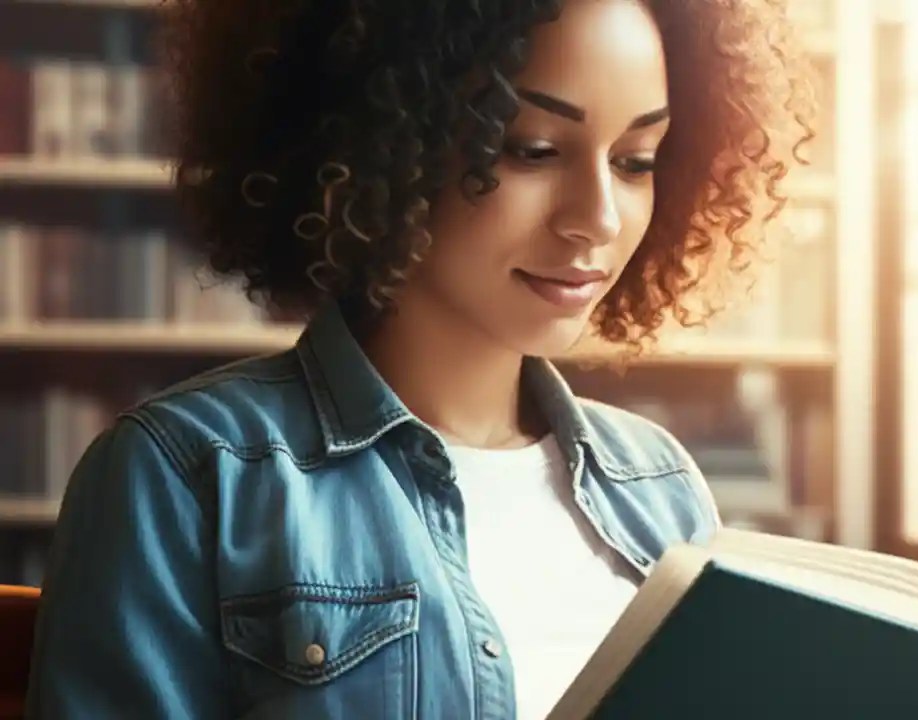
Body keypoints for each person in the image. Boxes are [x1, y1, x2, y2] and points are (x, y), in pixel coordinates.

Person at [25, 0, 815, 717]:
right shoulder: (189, 477)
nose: (598, 219)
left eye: (637, 159)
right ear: (373, 143)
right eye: (533, 150)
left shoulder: (662, 489)